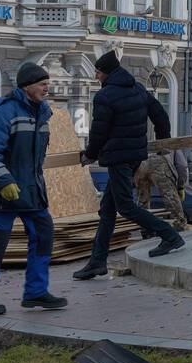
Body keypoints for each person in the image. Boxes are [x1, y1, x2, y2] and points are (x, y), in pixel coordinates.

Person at [73, 50, 184, 280]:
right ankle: (97, 262)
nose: (96, 76)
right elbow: (161, 115)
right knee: (107, 210)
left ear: (107, 73)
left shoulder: (105, 97)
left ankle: (169, 234)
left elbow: (98, 131)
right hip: (135, 157)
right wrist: (163, 141)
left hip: (118, 158)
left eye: (98, 72)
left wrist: (90, 155)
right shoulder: (138, 89)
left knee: (124, 206)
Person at [0, 62, 67, 315]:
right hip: (1, 194)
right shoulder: (5, 112)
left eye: (48, 83)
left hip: (32, 192)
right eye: (42, 84)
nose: (47, 88)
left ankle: (36, 292)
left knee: (44, 235)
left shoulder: (43, 113)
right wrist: (4, 182)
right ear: (27, 87)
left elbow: (36, 158)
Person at [135, 148, 188, 232]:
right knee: (170, 198)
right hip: (159, 161)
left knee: (143, 200)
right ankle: (179, 228)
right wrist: (181, 186)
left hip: (140, 161)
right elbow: (182, 165)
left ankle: (146, 230)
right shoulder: (174, 143)